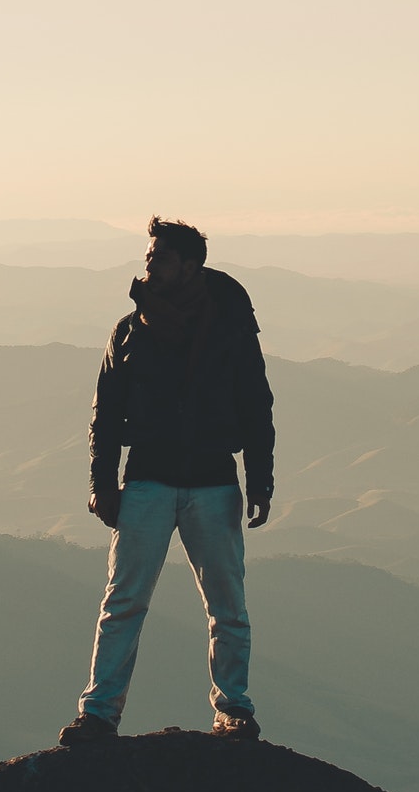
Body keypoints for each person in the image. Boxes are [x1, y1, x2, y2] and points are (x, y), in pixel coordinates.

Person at [59, 217, 275, 745]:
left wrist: (260, 481)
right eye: (149, 256)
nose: (149, 265)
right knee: (124, 601)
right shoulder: (130, 330)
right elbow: (105, 412)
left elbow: (255, 403)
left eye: (159, 257)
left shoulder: (229, 327)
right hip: (149, 479)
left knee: (227, 607)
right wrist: (101, 484)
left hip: (213, 481)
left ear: (190, 265)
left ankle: (233, 711)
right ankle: (99, 713)